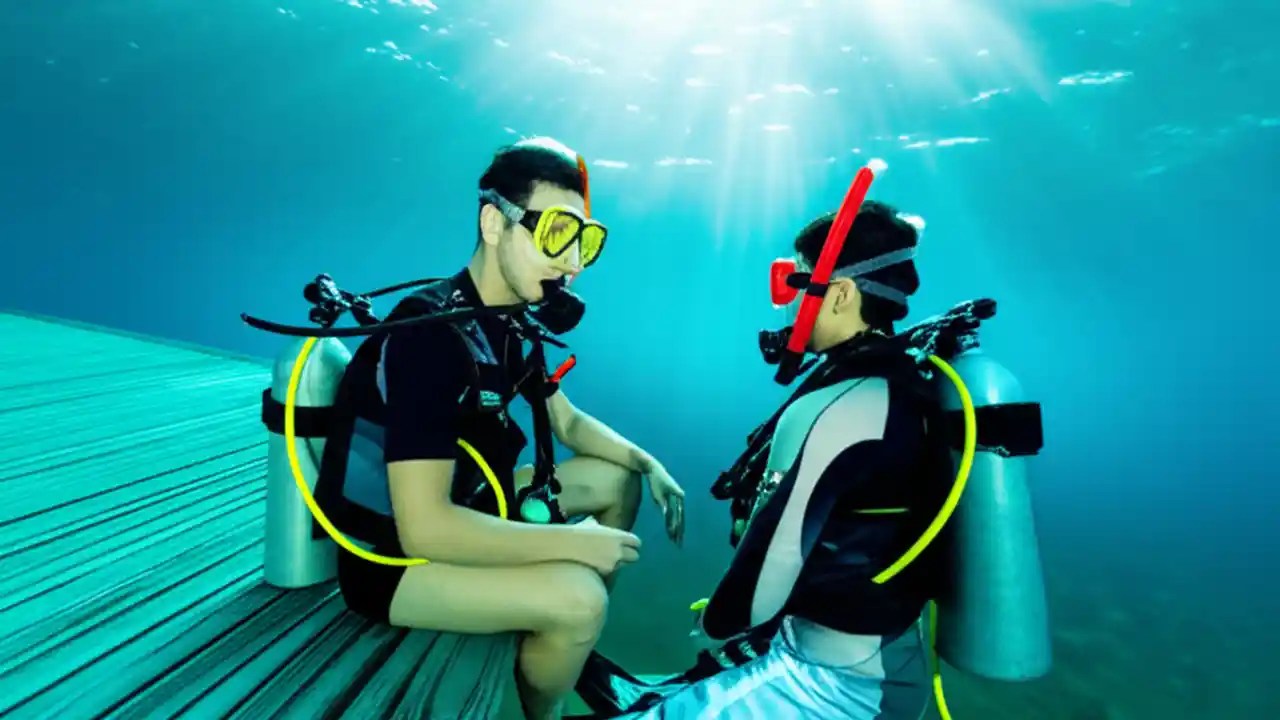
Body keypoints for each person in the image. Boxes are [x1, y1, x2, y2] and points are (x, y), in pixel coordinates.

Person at [313, 137, 687, 720]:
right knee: (582, 599)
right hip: (389, 561)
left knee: (617, 482)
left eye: (586, 241)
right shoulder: (430, 336)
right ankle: (545, 696)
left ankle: (554, 640)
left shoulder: (506, 322)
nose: (573, 263)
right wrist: (572, 545)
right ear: (494, 223)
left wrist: (648, 463)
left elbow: (566, 421)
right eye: (557, 234)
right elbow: (425, 531)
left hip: (471, 502)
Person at [602, 198, 953, 719]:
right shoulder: (902, 385)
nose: (787, 302)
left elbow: (771, 568)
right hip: (888, 665)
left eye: (796, 282)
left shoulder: (836, 404)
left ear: (839, 295)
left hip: (834, 686)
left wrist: (720, 623)